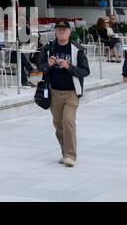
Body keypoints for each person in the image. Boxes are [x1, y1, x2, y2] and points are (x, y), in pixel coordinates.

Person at [37, 20, 89, 167]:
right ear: (55, 32)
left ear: (69, 32)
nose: (61, 32)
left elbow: (85, 71)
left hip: (71, 92)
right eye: (59, 30)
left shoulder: (77, 49)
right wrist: (49, 64)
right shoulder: (48, 48)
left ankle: (70, 156)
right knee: (58, 124)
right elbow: (40, 66)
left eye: (64, 30)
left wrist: (69, 66)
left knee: (68, 121)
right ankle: (65, 152)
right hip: (54, 92)